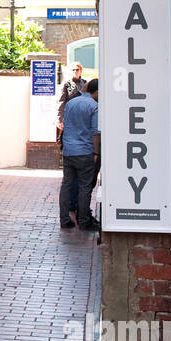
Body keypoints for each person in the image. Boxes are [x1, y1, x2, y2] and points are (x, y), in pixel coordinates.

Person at [59, 77, 100, 232]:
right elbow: (96, 133)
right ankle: (83, 221)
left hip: (69, 150)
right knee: (84, 186)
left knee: (66, 185)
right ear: (96, 92)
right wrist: (96, 152)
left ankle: (64, 220)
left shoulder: (70, 103)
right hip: (84, 151)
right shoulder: (94, 106)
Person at [57, 62, 85, 221]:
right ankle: (70, 208)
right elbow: (61, 103)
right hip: (70, 125)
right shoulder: (66, 85)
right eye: (73, 69)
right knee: (69, 177)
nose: (75, 72)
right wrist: (60, 121)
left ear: (81, 71)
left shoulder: (84, 83)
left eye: (77, 69)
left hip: (81, 125)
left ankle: (75, 204)